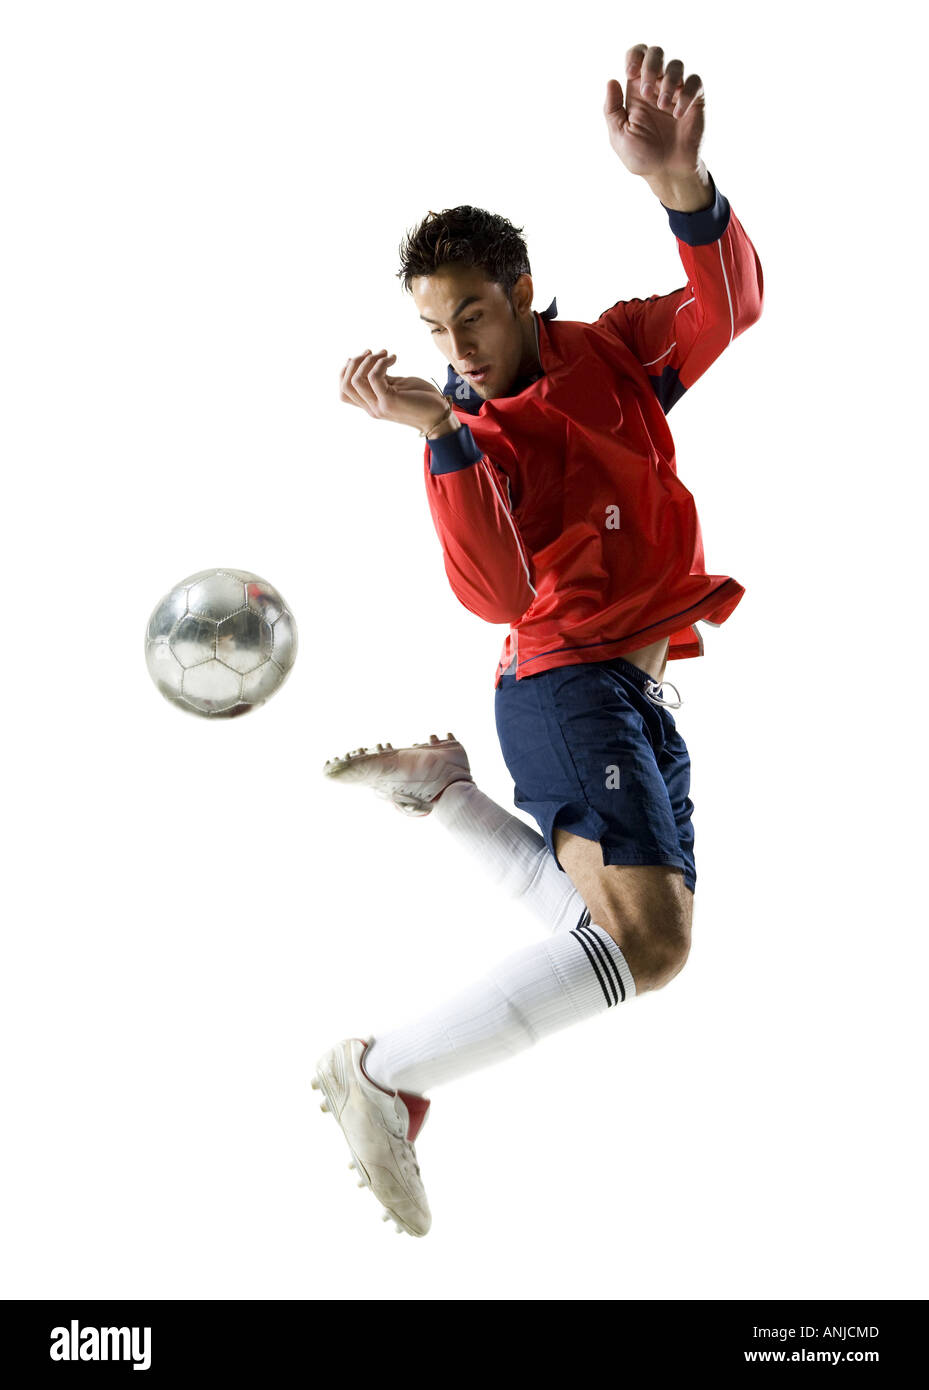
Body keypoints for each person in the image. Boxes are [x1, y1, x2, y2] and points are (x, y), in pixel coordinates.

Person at [314, 42, 764, 1236]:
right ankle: (382, 1072)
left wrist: (681, 181)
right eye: (430, 323)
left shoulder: (613, 354)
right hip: (562, 683)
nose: (454, 342)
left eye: (470, 310)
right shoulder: (469, 433)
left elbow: (727, 307)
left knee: (609, 932)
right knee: (646, 942)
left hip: (638, 695)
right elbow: (497, 591)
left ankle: (445, 800)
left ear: (518, 287)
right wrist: (439, 439)